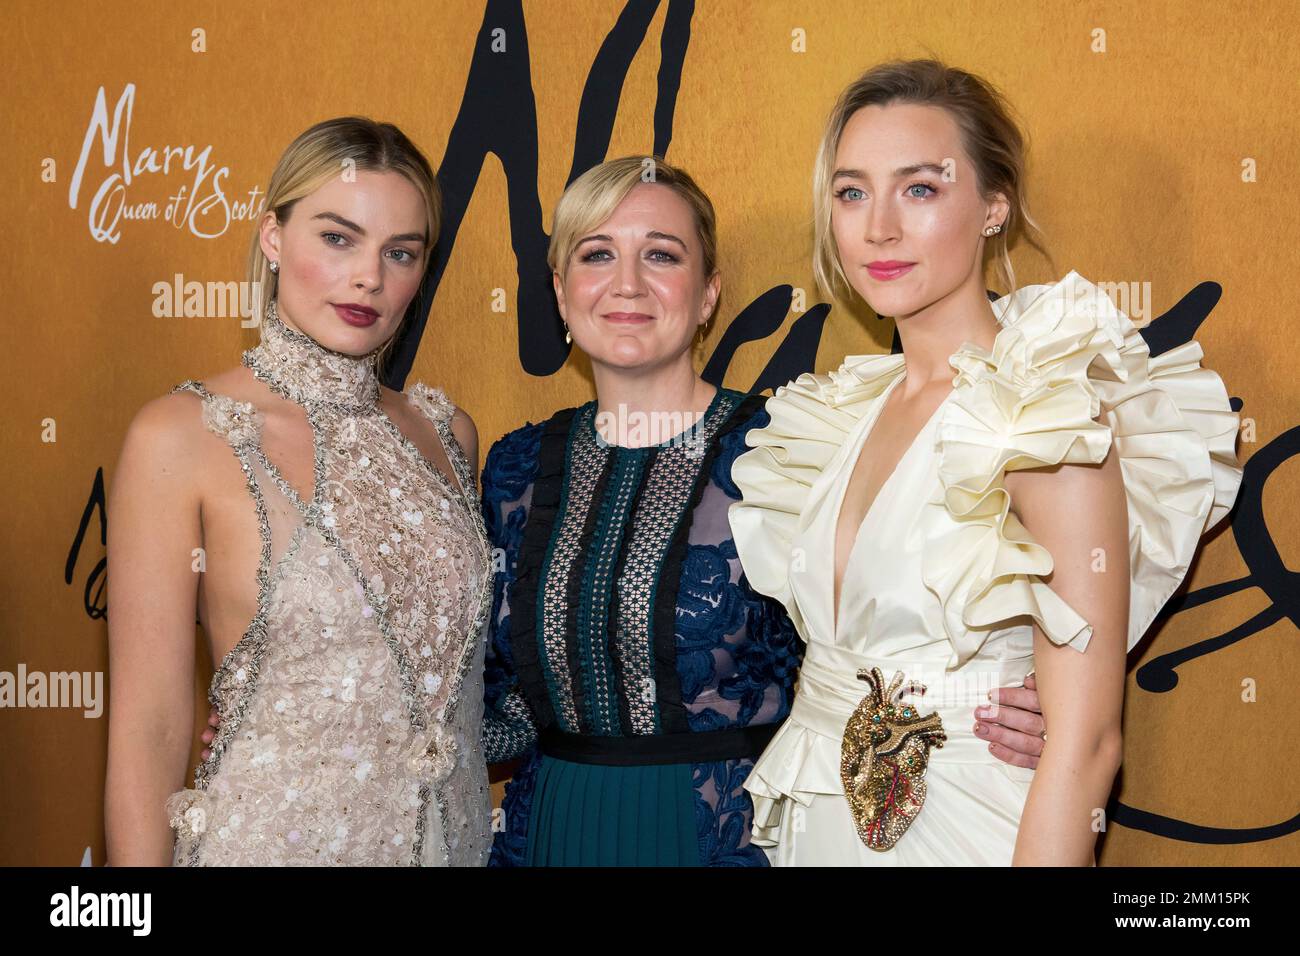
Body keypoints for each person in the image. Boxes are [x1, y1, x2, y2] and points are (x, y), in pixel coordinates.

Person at [728, 60, 1243, 866]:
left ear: (994, 206)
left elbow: (1088, 744)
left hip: (971, 827)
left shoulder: (1042, 412)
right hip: (821, 821)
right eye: (852, 191)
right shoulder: (842, 414)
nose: (880, 228)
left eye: (921, 189)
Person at [478, 155, 1050, 867]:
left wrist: (1012, 700)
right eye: (597, 254)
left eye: (661, 254)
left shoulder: (798, 446)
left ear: (709, 292)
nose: (626, 283)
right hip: (547, 835)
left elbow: (920, 610)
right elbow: (494, 699)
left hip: (734, 838)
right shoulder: (515, 469)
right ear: (562, 291)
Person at [104, 117, 494, 866]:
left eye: (401, 252)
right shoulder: (181, 436)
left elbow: (456, 687)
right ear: (274, 238)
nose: (370, 278)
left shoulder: (448, 436)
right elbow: (149, 726)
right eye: (338, 238)